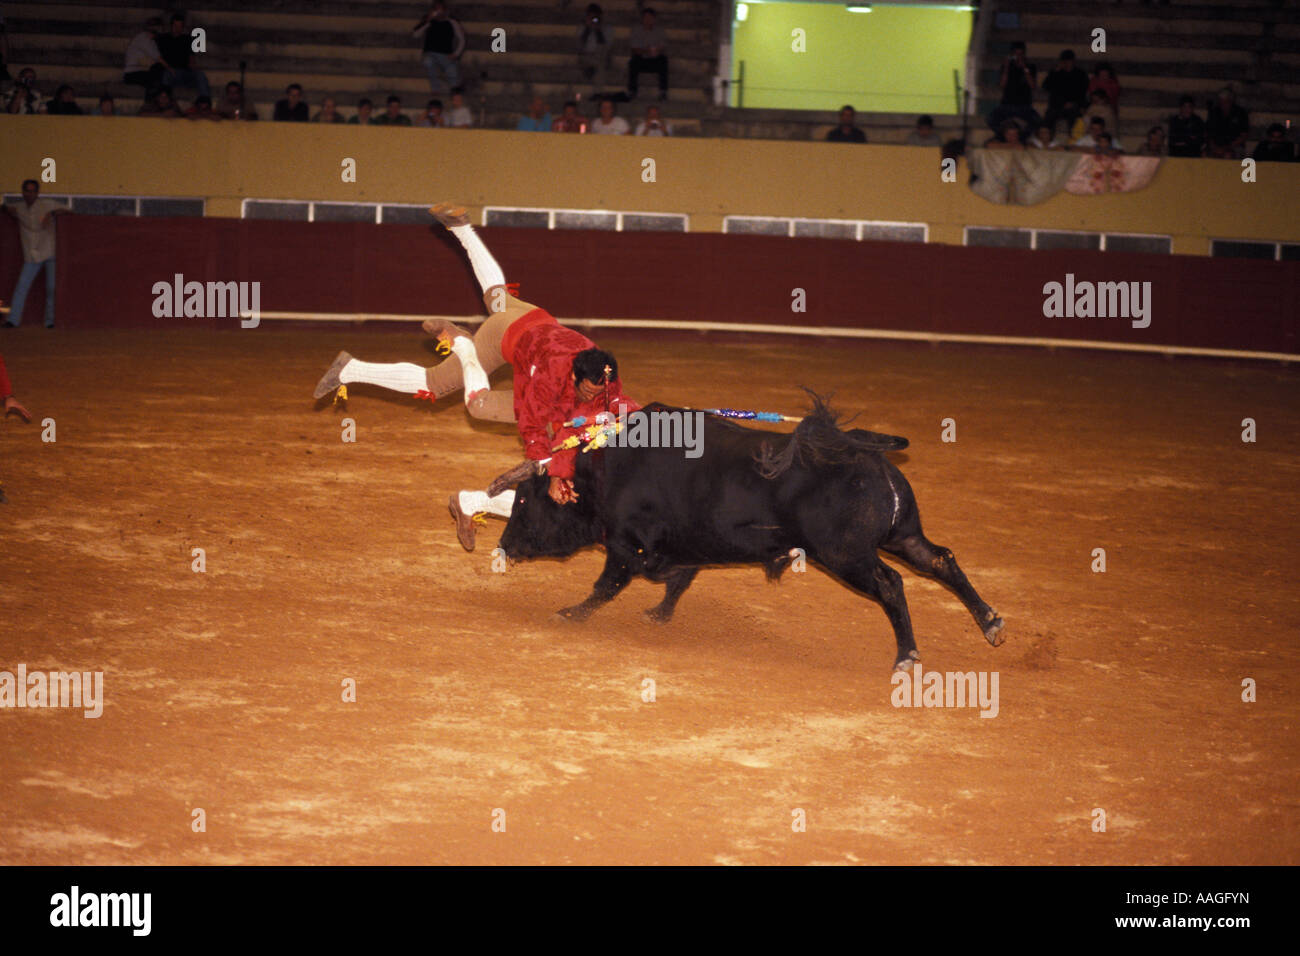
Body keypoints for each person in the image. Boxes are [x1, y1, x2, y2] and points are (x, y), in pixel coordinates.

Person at [311, 203, 639, 547]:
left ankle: (461, 228)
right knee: (466, 399)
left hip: (532, 319)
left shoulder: (604, 378)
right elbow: (532, 424)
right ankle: (464, 345)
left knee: (497, 297)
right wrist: (546, 463)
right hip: (502, 339)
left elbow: (630, 412)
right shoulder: (551, 383)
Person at [1, 180, 70, 329]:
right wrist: (6, 208)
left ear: (37, 193)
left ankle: (50, 321)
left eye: (32, 191)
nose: (30, 194)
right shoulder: (19, 207)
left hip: (49, 251)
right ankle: (13, 320)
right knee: (21, 286)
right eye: (27, 191)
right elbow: (6, 208)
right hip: (31, 254)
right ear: (23, 192)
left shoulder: (47, 205)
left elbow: (68, 209)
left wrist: (52, 213)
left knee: (51, 288)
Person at [413, 2, 465, 96]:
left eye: (440, 9)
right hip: (430, 53)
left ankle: (455, 91)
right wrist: (427, 21)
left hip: (446, 54)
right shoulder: (428, 22)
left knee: (452, 71)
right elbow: (416, 34)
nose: (438, 12)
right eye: (436, 10)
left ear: (445, 11)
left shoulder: (452, 22)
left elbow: (461, 39)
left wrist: (456, 53)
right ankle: (435, 89)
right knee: (428, 61)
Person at [157, 12, 210, 100]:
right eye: (175, 26)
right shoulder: (163, 39)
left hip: (185, 72)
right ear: (171, 26)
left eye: (180, 26)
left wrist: (194, 67)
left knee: (200, 75)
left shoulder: (187, 39)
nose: (177, 29)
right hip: (169, 71)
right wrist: (168, 67)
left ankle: (205, 102)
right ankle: (164, 102)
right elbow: (157, 56)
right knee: (166, 75)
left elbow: (191, 57)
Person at [1041, 49, 1089, 135]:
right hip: (1057, 105)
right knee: (1048, 119)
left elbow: (1083, 92)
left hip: (1074, 106)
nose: (1067, 63)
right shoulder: (1056, 73)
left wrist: (1075, 104)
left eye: (1069, 61)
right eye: (1065, 61)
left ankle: (1074, 142)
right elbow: (1045, 86)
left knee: (1077, 121)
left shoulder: (1080, 74)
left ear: (1073, 61)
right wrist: (1055, 72)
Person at [627, 7, 669, 101]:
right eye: (646, 17)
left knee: (664, 60)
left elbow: (662, 46)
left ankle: (663, 91)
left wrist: (656, 51)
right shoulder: (636, 30)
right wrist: (647, 51)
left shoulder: (659, 31)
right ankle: (632, 91)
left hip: (655, 59)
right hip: (641, 59)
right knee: (633, 61)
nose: (648, 20)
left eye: (650, 17)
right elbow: (634, 48)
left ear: (654, 19)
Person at [123, 17, 170, 93]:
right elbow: (158, 58)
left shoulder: (152, 42)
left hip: (142, 71)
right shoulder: (143, 38)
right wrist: (170, 69)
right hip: (132, 74)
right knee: (156, 75)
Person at [578, 4, 612, 95]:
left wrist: (598, 30)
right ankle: (590, 69)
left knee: (600, 64)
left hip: (600, 55)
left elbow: (606, 45)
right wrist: (588, 28)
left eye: (595, 16)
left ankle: (597, 93)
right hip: (586, 55)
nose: (594, 19)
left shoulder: (607, 28)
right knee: (600, 65)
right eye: (591, 16)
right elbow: (580, 43)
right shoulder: (583, 27)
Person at [1205, 88, 1249, 159]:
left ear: (1231, 101)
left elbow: (1243, 136)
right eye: (1221, 101)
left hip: (1234, 147)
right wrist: (1213, 147)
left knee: (1227, 155)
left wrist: (1226, 148)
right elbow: (1208, 133)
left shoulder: (1240, 113)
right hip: (1216, 147)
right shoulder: (1214, 112)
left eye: (1226, 101)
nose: (1223, 103)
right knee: (1205, 155)